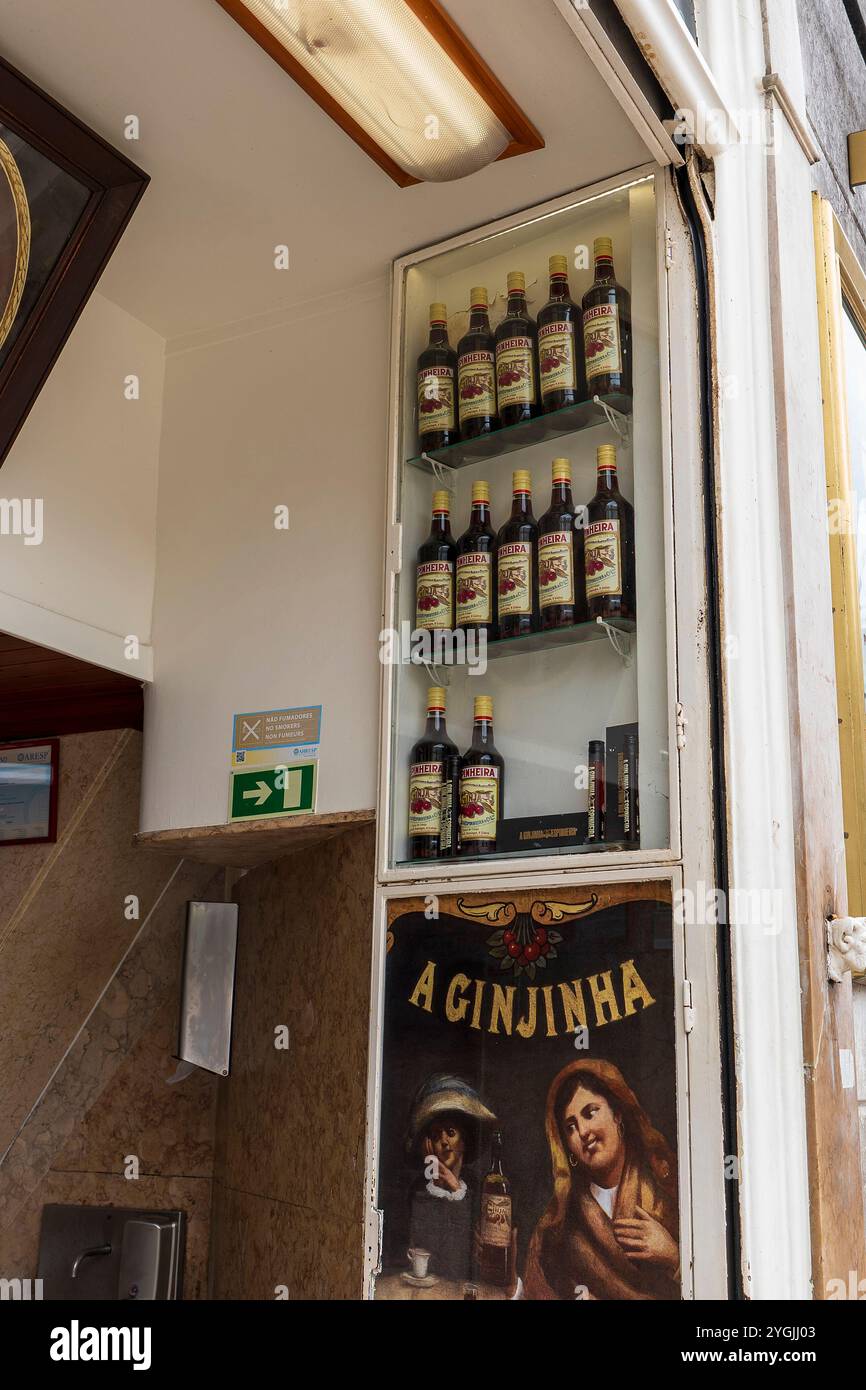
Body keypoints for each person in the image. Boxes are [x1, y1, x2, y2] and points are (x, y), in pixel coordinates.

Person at [523, 1058, 679, 1300]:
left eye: (590, 1113)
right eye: (570, 1127)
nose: (582, 1132)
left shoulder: (666, 1189)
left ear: (617, 1115)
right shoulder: (560, 1224)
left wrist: (672, 1255)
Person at [404, 1074, 496, 1282]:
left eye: (451, 1133)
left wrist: (453, 1184)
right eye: (436, 1136)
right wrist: (439, 1178)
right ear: (429, 1146)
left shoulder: (478, 1189)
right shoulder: (420, 1190)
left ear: (464, 1141)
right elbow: (423, 1251)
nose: (444, 1141)